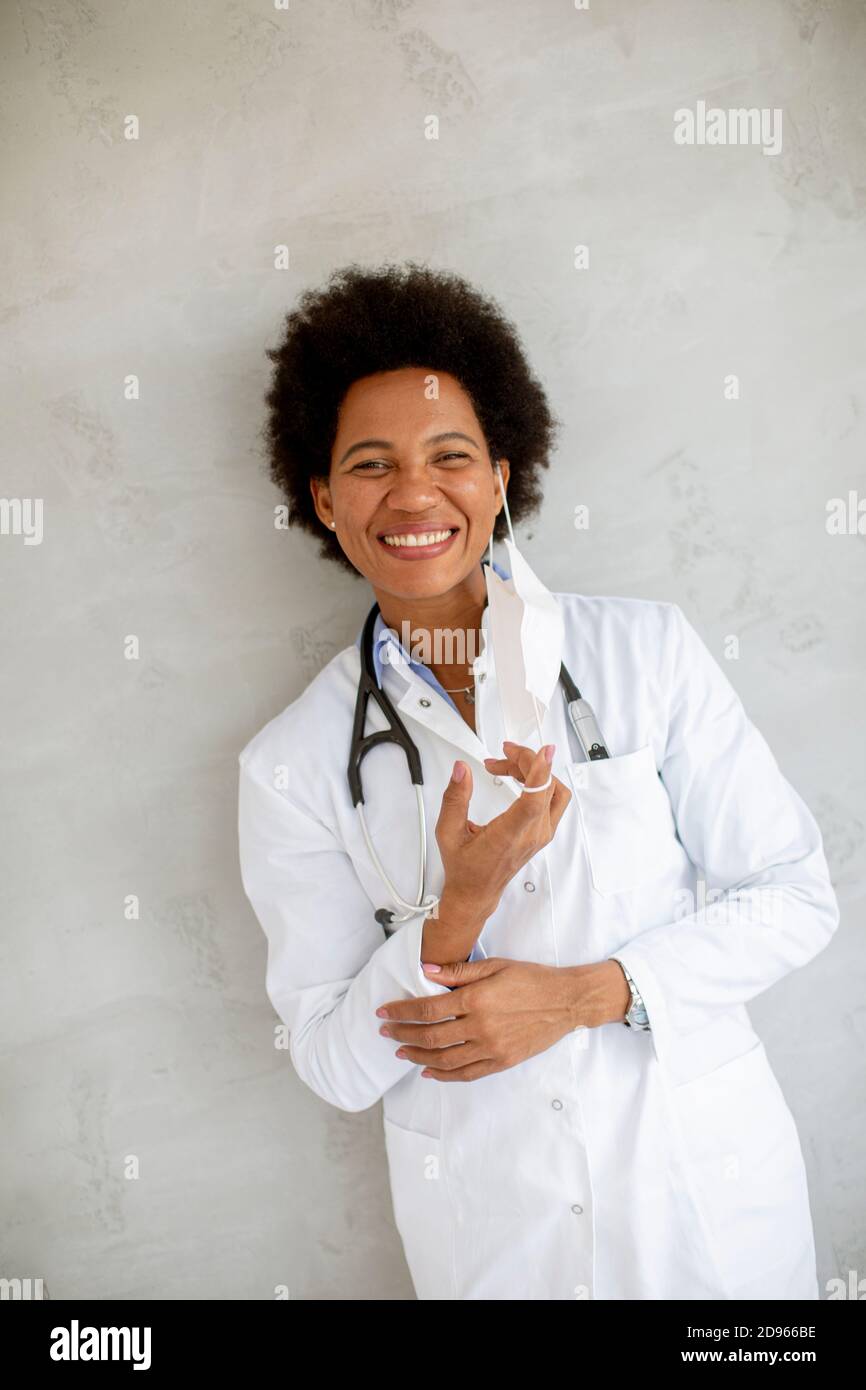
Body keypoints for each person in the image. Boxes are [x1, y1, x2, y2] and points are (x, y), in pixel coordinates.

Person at [237, 261, 839, 1300]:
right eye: (371, 464)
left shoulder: (644, 653)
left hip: (703, 1211)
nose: (414, 493)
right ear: (324, 499)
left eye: (450, 455)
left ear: (503, 476)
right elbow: (333, 1062)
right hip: (497, 1238)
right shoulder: (292, 764)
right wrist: (452, 907)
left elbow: (793, 896)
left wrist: (584, 996)